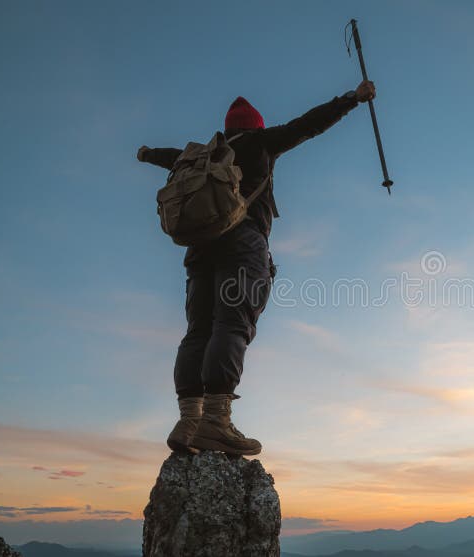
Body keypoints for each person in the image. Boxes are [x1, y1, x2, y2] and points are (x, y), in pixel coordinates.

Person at [137, 80, 377, 456]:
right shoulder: (262, 144)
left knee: (197, 330)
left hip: (200, 249)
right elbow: (308, 124)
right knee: (232, 323)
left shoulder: (202, 156)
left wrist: (147, 153)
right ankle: (216, 421)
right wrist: (352, 99)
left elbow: (168, 155)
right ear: (257, 126)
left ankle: (188, 421)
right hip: (243, 244)